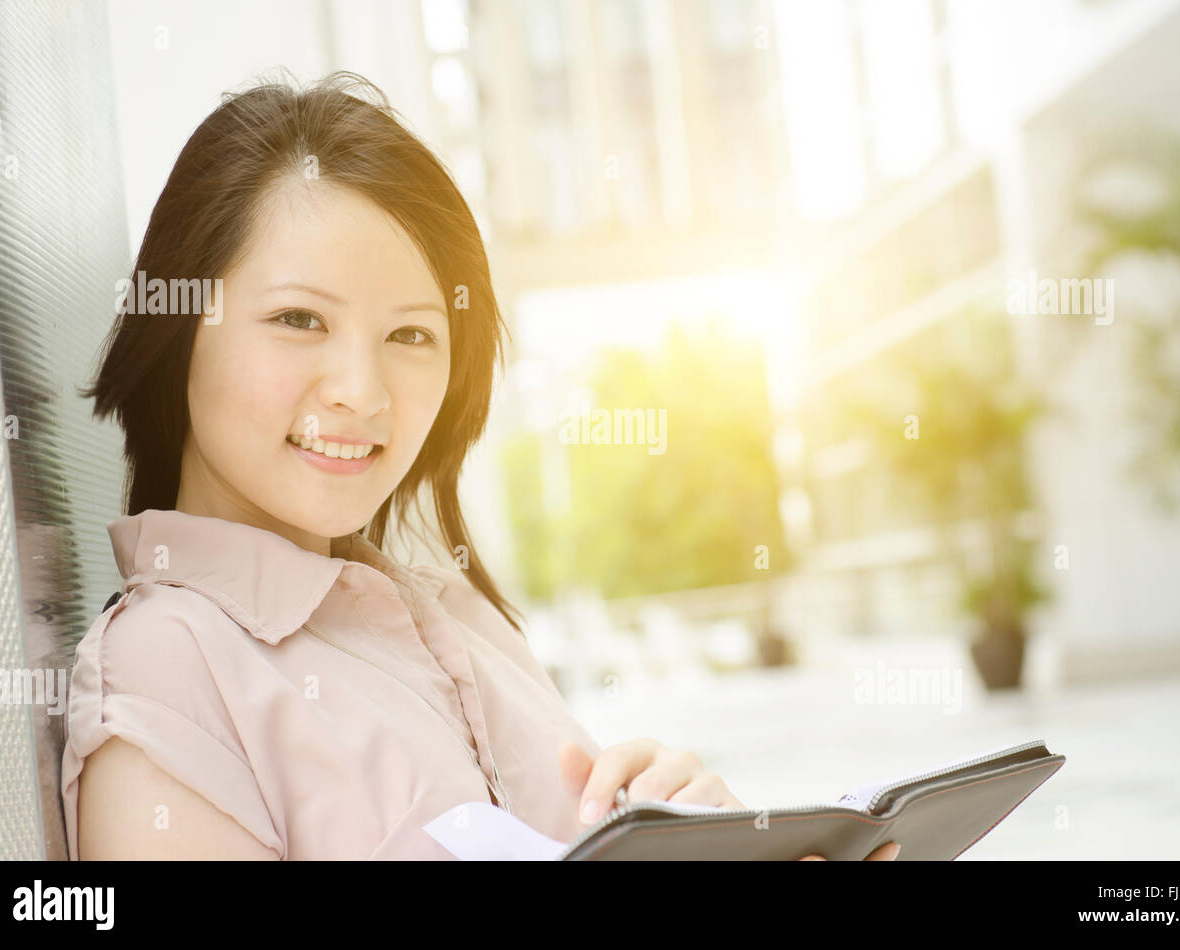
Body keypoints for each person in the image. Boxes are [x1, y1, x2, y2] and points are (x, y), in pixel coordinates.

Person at [64, 70, 898, 862]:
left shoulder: (457, 611)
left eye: (412, 335)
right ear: (175, 328)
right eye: (297, 318)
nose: (362, 391)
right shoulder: (168, 664)